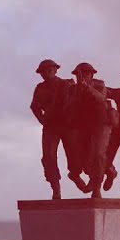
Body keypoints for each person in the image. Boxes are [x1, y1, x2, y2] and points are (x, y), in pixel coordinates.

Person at [65, 62, 113, 198]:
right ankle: (109, 170)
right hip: (83, 125)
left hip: (101, 123)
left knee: (98, 154)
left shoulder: (99, 84)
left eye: (86, 73)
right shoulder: (73, 89)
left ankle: (97, 188)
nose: (83, 76)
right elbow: (70, 105)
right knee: (86, 159)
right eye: (79, 74)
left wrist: (86, 87)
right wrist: (78, 89)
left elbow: (101, 98)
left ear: (92, 74)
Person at [29, 59, 73, 199]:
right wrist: (43, 120)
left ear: (55, 70)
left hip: (66, 125)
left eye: (49, 70)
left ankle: (75, 174)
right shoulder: (40, 88)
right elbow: (34, 106)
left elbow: (74, 105)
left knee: (74, 156)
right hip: (50, 127)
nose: (46, 74)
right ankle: (56, 188)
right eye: (43, 72)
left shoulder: (65, 85)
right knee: (48, 157)